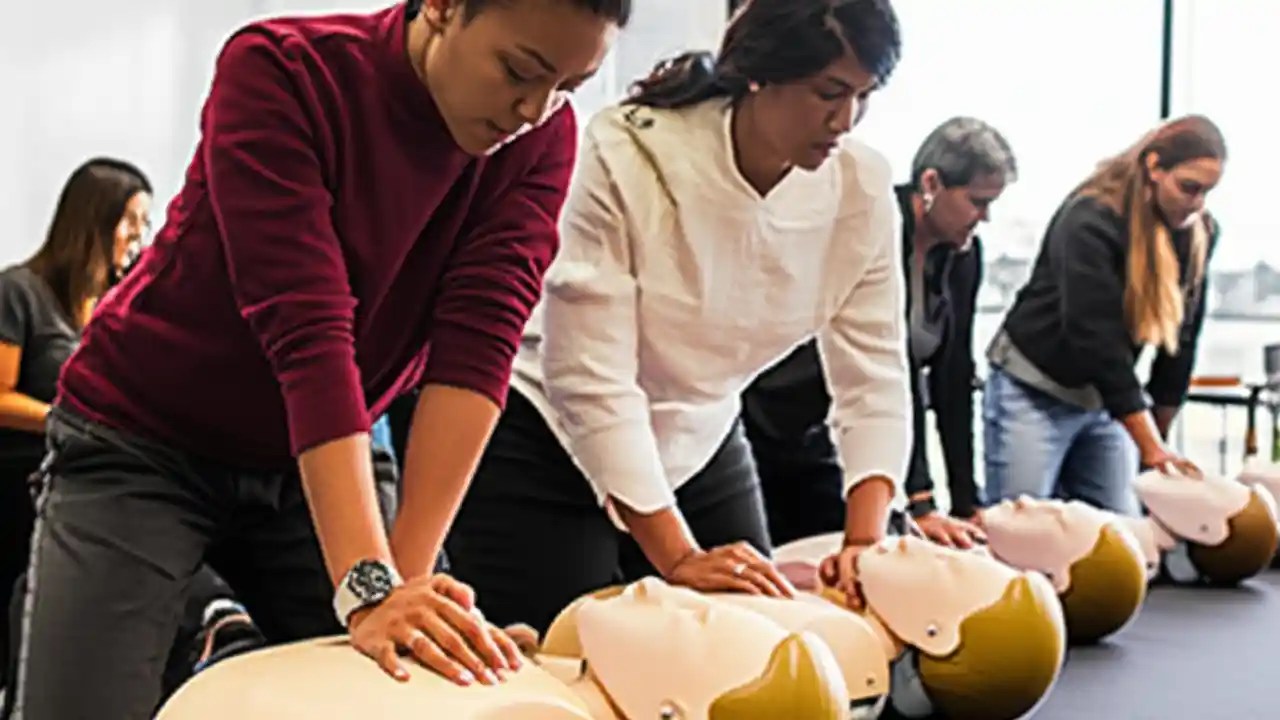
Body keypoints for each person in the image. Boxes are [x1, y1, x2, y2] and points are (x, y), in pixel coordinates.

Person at [8, 1, 629, 717]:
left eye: (567, 88)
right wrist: (369, 587)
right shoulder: (282, 69)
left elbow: (480, 342)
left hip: (323, 459)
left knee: (413, 689)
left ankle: (220, 634)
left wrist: (403, 586)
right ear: (441, 5)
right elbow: (309, 329)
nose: (534, 110)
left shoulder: (541, 139)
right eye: (520, 71)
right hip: (146, 438)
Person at [445, 0, 909, 635]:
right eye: (829, 93)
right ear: (761, 72)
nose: (845, 120)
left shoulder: (861, 187)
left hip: (699, 429)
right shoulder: (630, 152)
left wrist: (864, 542)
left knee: (757, 637)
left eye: (864, 95)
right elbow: (592, 376)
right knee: (571, 648)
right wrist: (679, 557)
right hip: (549, 426)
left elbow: (874, 375)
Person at [741, 117, 1016, 548]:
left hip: (847, 431)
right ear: (931, 183)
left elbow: (953, 379)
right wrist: (920, 501)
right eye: (977, 201)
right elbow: (889, 368)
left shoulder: (964, 255)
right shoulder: (875, 222)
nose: (985, 217)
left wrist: (967, 503)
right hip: (777, 416)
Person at [983, 115, 1226, 515]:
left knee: (1123, 531)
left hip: (1103, 403)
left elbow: (1181, 342)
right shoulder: (1089, 219)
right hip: (1033, 389)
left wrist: (1159, 444)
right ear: (1154, 167)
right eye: (1188, 187)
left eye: (1206, 192)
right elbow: (1095, 337)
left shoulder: (1198, 233)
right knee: (1024, 527)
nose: (1196, 203)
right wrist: (1148, 444)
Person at [0, 158, 151, 694]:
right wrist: (68, 420)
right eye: (131, 221)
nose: (138, 236)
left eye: (145, 224)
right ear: (95, 219)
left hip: (85, 469)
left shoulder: (112, 306)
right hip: (22, 471)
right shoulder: (20, 291)